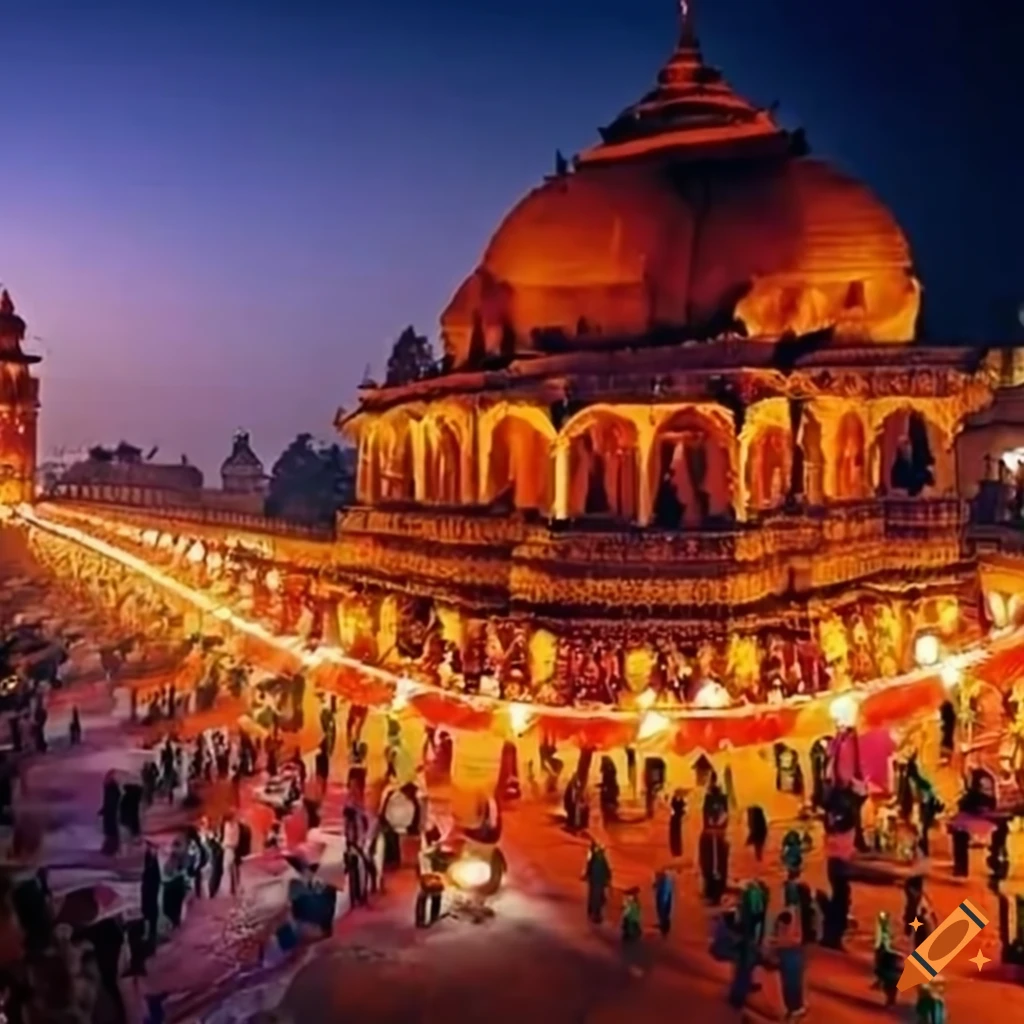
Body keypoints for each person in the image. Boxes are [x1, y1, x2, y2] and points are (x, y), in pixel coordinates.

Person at [772, 908, 807, 1019]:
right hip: (787, 959)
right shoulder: (783, 929)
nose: (781, 928)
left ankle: (797, 1009)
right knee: (787, 986)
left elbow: (795, 941)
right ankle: (793, 1009)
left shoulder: (793, 932)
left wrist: (777, 944)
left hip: (792, 959)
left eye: (782, 926)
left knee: (792, 985)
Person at [873, 910, 900, 1007]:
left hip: (889, 970)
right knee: (892, 987)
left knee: (890, 986)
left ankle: (890, 1000)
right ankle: (891, 1000)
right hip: (892, 970)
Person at [583, 840, 612, 924]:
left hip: (598, 879)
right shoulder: (595, 857)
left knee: (597, 896)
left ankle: (594, 912)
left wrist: (608, 878)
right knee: (596, 897)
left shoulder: (600, 857)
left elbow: (606, 868)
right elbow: (590, 867)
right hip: (596, 880)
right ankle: (594, 913)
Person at [621, 887, 643, 974]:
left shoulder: (631, 904)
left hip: (630, 920)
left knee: (630, 927)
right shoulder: (636, 903)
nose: (627, 897)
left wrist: (624, 910)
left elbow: (626, 912)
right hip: (634, 920)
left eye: (628, 896)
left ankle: (630, 935)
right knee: (633, 926)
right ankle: (633, 934)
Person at [100, 771, 122, 855]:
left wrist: (106, 809)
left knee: (111, 830)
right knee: (110, 830)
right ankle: (111, 848)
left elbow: (110, 801)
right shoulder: (110, 788)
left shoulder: (111, 788)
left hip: (111, 813)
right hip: (110, 813)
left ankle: (111, 849)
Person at [653, 868, 674, 937]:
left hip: (663, 895)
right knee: (663, 908)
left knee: (662, 907)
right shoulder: (665, 882)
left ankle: (664, 925)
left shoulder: (665, 883)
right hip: (663, 891)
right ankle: (663, 924)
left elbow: (663, 900)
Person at [668, 789, 686, 859]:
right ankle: (674, 850)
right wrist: (673, 813)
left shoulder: (682, 800)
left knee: (678, 835)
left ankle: (678, 850)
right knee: (673, 835)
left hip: (679, 819)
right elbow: (671, 808)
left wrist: (683, 814)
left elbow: (684, 808)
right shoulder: (674, 800)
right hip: (674, 819)